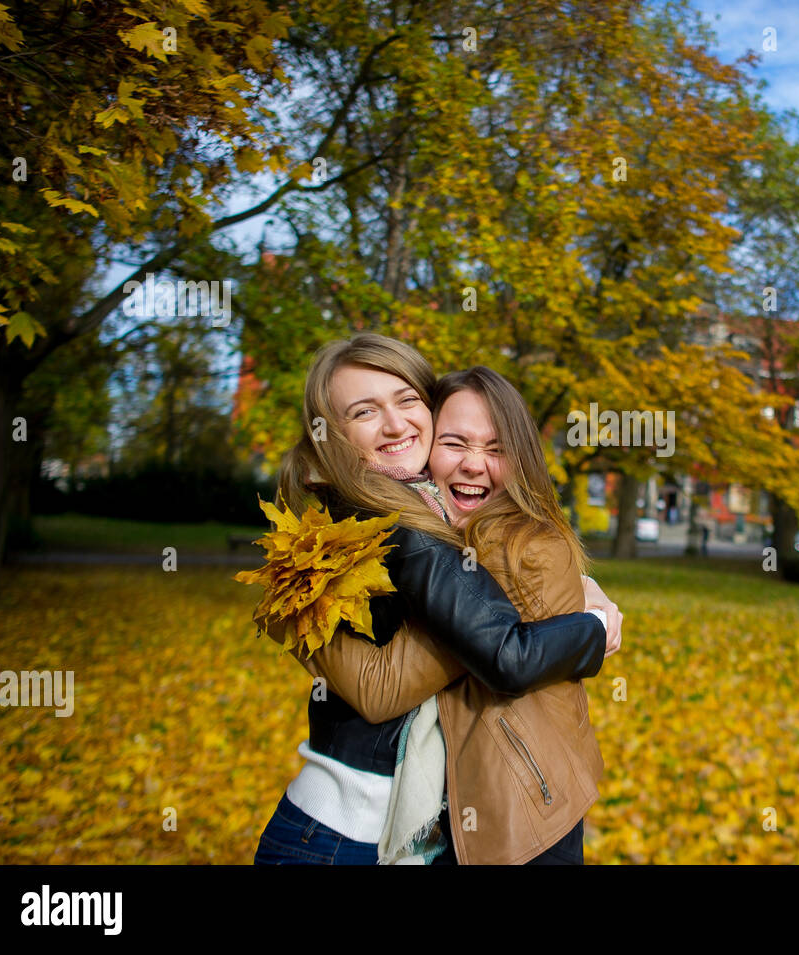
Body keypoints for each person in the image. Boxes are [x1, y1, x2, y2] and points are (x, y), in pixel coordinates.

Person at [247, 334, 620, 865]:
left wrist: (565, 591)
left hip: (398, 837)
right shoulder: (398, 527)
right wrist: (590, 627)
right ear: (332, 435)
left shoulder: (421, 519)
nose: (396, 425)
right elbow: (407, 684)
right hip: (342, 836)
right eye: (364, 411)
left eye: (406, 401)